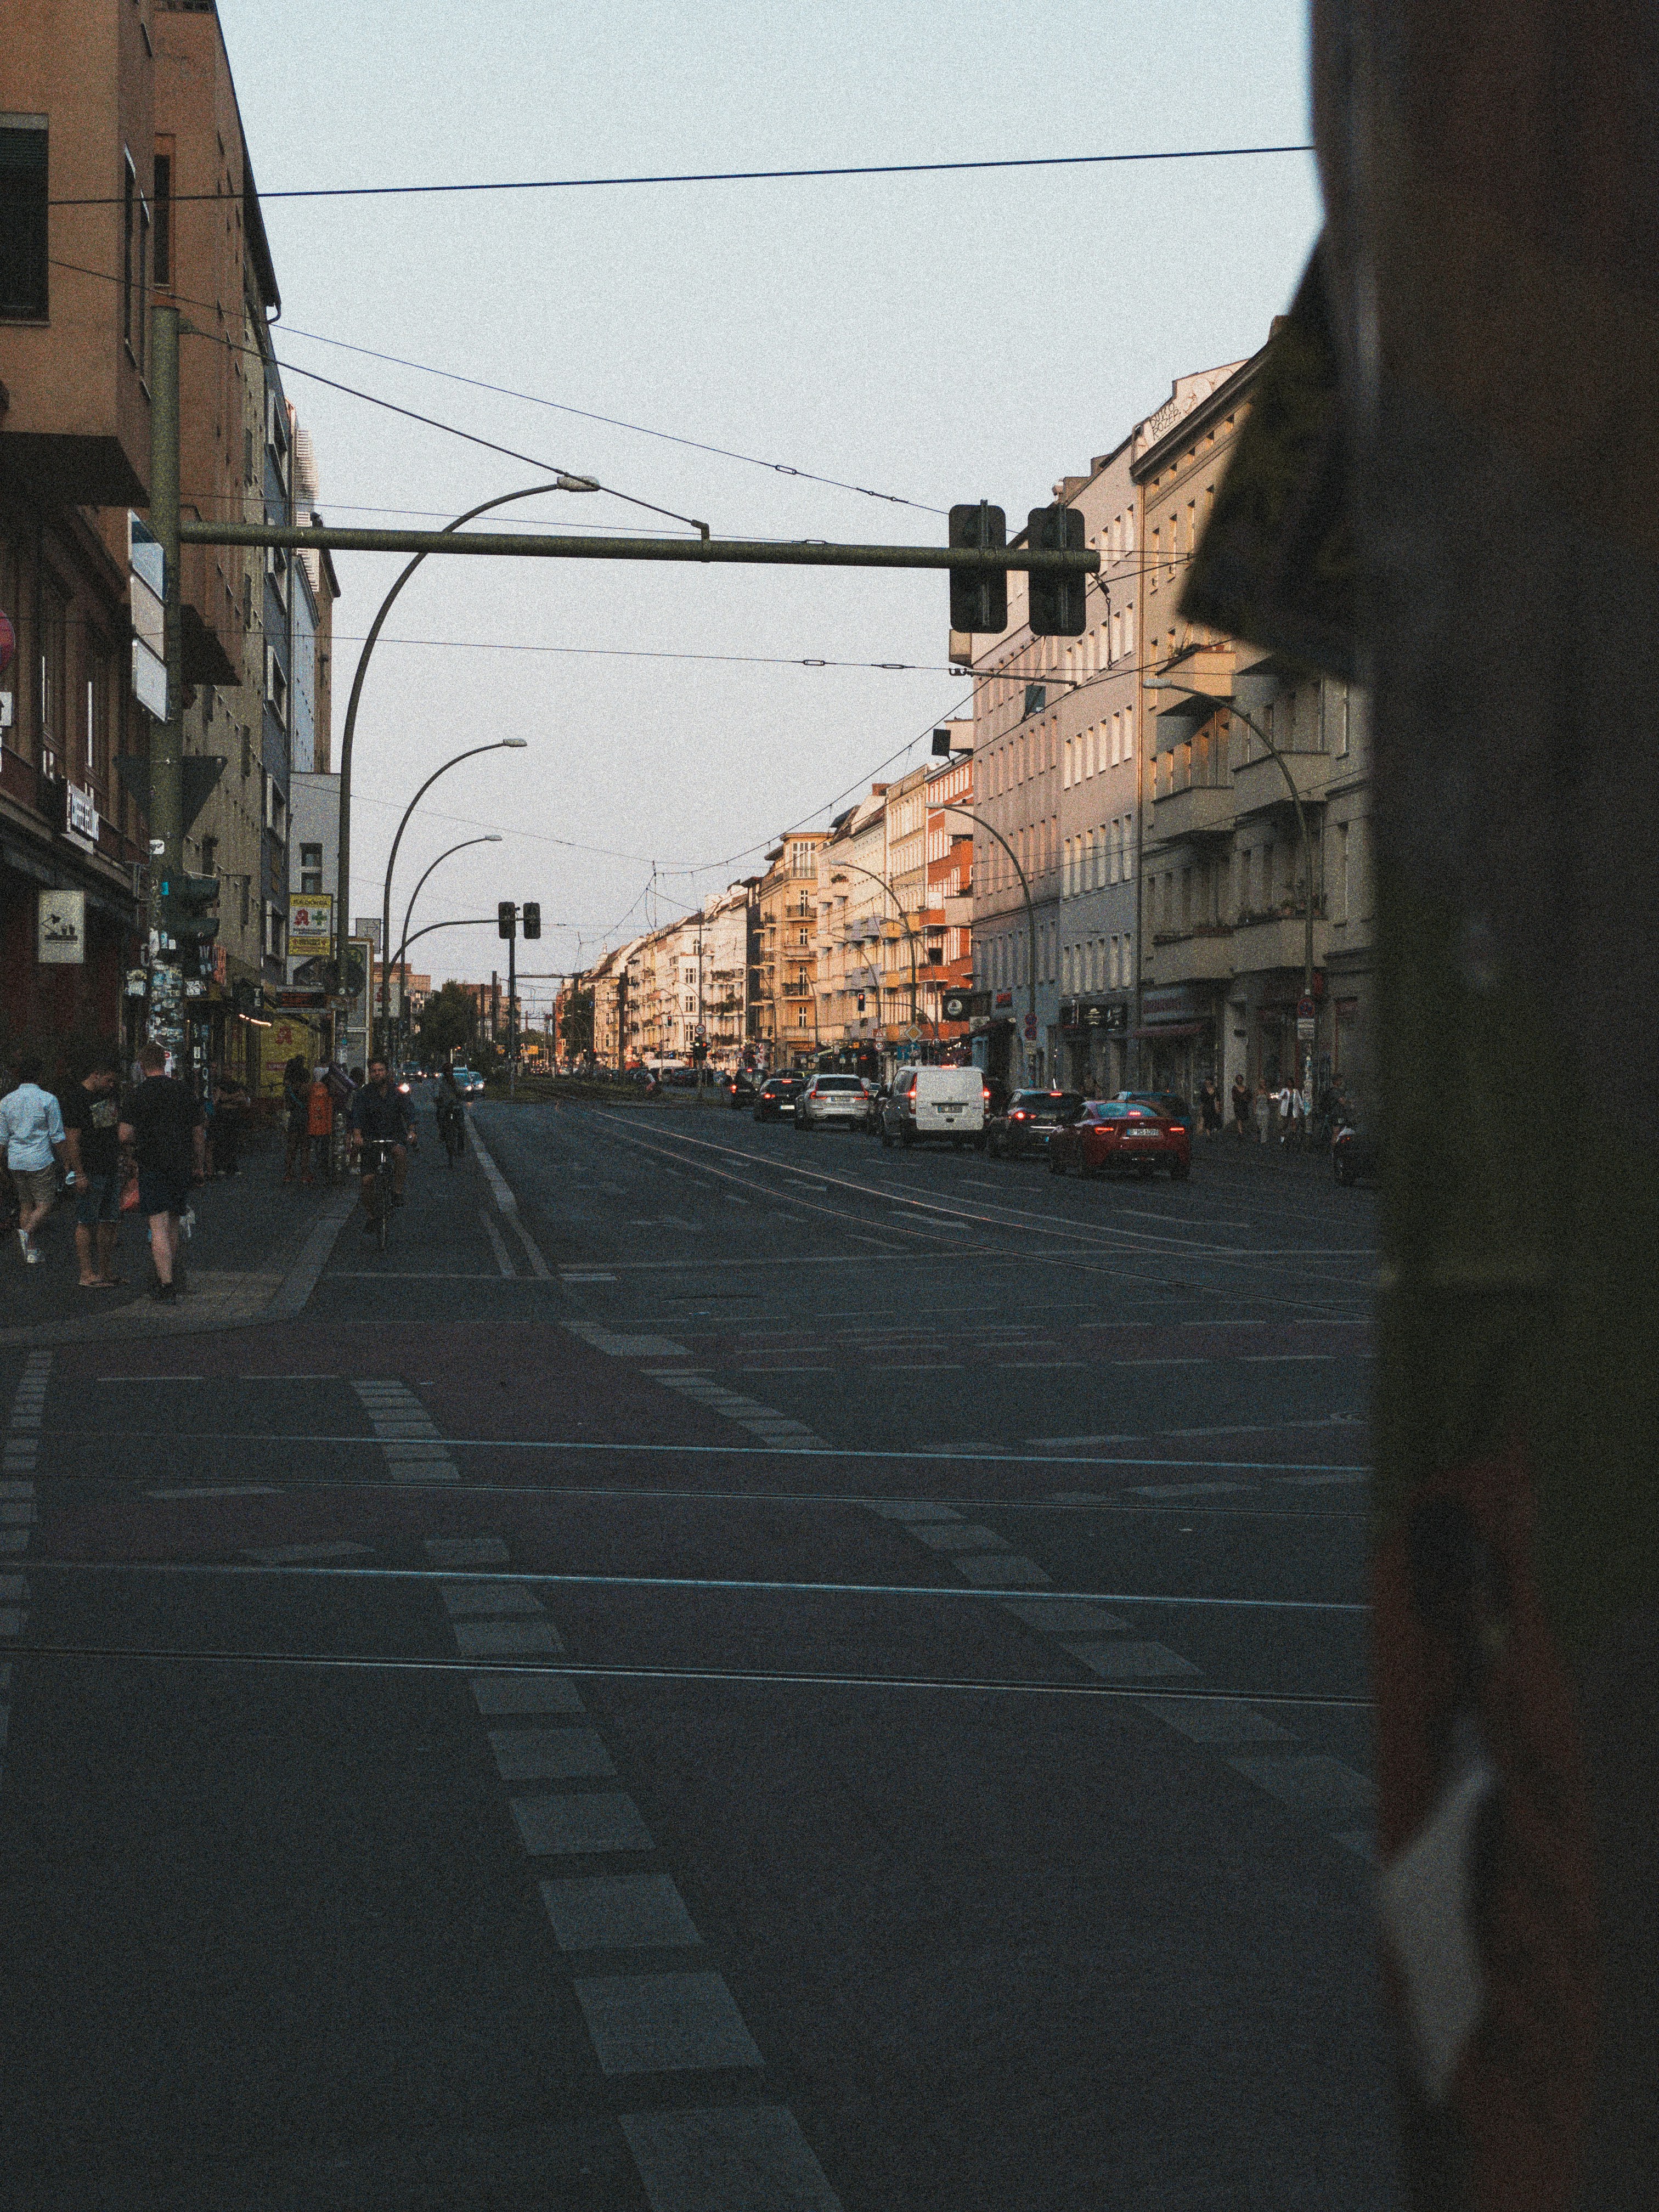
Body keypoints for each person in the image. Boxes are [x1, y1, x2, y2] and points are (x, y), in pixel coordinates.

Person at [117, 1041, 205, 1302]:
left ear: (143, 1066)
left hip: (152, 1164)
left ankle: (165, 1283)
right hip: (180, 1164)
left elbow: (124, 1135)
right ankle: (170, 1275)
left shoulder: (137, 1095)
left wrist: (142, 1138)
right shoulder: (183, 1091)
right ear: (165, 1062)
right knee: (173, 1222)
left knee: (157, 1225)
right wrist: (199, 1165)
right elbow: (198, 1132)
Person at [61, 1051, 125, 1288]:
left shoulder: (107, 1096)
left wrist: (124, 1157)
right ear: (96, 1075)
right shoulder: (77, 1099)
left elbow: (113, 1128)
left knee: (110, 1219)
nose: (111, 1085)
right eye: (108, 1080)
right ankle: (87, 1273)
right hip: (90, 1167)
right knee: (86, 1220)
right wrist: (79, 1173)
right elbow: (72, 1139)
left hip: (110, 1164)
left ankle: (106, 1271)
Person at [0, 1056, 68, 1267]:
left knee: (25, 1203)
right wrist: (67, 1162)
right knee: (46, 1202)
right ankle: (26, 1233)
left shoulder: (6, 1101)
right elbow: (57, 1136)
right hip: (40, 1159)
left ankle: (30, 1252)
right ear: (40, 1076)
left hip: (15, 1159)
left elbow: (2, 1138)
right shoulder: (48, 1099)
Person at [348, 1056, 416, 1229]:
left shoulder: (397, 1093)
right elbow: (357, 1117)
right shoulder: (364, 1094)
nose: (377, 1074)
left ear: (387, 1072)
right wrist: (357, 1136)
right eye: (374, 1071)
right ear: (370, 1074)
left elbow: (409, 1113)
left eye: (380, 1070)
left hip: (394, 1136)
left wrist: (412, 1132)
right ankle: (371, 1216)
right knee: (367, 1182)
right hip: (371, 1139)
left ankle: (398, 1191)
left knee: (400, 1153)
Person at [211, 1069, 249, 1176]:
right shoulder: (219, 1085)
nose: (228, 1073)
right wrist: (233, 1097)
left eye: (230, 1070)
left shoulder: (237, 1085)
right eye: (226, 1070)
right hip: (223, 1115)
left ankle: (232, 1166)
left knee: (233, 1140)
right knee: (222, 1140)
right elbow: (218, 1099)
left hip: (234, 1115)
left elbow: (243, 1100)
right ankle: (221, 1166)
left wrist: (227, 1098)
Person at [281, 1056, 310, 1183]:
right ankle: (304, 1174)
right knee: (305, 1147)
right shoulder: (306, 1087)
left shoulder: (289, 1088)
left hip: (293, 1117)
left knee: (291, 1147)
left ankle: (289, 1173)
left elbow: (287, 1104)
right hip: (305, 1116)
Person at [305, 1064, 334, 1184]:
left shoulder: (313, 1090)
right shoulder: (328, 1094)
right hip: (325, 1126)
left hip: (313, 1125)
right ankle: (324, 1168)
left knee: (310, 1148)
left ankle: (309, 1172)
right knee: (324, 1148)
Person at [1231, 1074, 1251, 1139]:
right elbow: (1234, 1098)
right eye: (1238, 1078)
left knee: (1245, 1118)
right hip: (1238, 1105)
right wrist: (1241, 1098)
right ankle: (1240, 1132)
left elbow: (1250, 1096)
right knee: (1239, 1118)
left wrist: (1246, 1100)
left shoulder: (1246, 1088)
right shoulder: (1235, 1088)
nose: (1240, 1080)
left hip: (1244, 1105)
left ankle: (1244, 1130)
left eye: (1241, 1078)